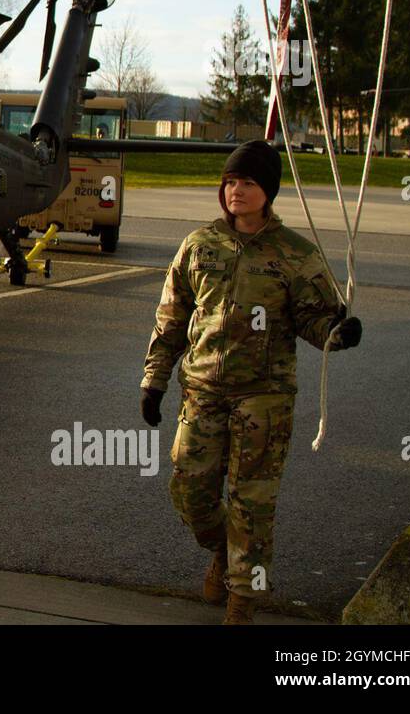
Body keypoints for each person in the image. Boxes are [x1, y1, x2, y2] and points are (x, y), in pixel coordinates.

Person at [139, 140, 362, 624]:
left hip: (264, 398)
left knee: (252, 502)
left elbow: (315, 321)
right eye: (231, 182)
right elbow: (171, 317)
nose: (236, 191)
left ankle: (243, 600)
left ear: (269, 192)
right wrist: (154, 380)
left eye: (249, 183)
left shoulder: (295, 255)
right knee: (190, 489)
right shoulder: (199, 245)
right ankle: (224, 551)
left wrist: (337, 334)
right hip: (202, 390)